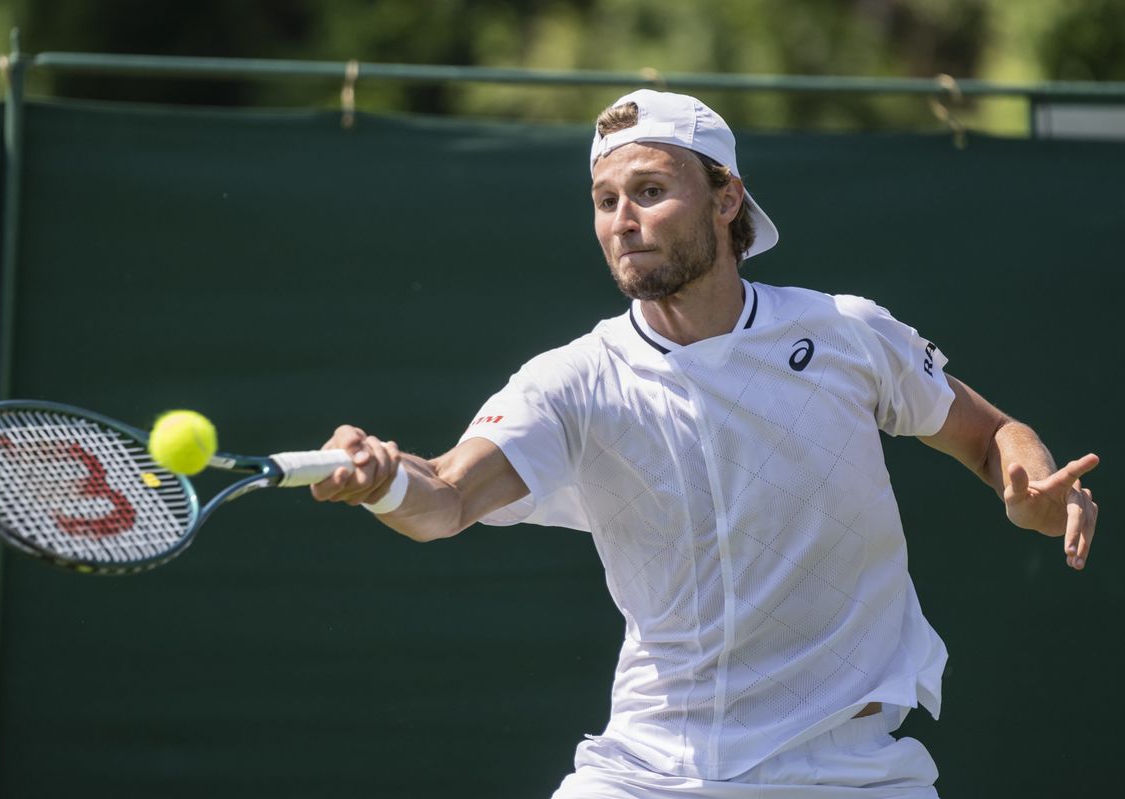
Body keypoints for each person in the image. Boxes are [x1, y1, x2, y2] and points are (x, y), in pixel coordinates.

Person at [309, 90, 1099, 797]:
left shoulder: (845, 333)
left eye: (651, 192)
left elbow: (991, 434)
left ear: (727, 197)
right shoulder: (571, 381)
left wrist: (1028, 483)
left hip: (849, 771)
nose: (624, 219)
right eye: (606, 198)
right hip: (653, 769)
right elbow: (444, 496)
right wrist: (384, 482)